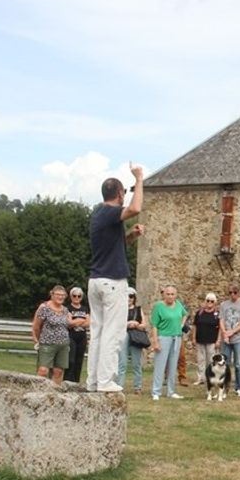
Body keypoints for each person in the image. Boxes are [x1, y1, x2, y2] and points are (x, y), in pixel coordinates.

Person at [87, 166, 144, 393]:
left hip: (97, 281)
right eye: (124, 194)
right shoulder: (111, 212)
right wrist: (139, 179)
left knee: (99, 334)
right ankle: (105, 381)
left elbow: (115, 246)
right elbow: (136, 207)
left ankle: (93, 381)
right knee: (114, 333)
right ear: (120, 194)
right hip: (112, 282)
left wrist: (131, 235)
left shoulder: (99, 215)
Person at [149, 284, 186, 401]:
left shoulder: (179, 304)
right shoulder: (158, 307)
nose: (170, 296)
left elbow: (185, 314)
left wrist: (181, 325)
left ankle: (171, 391)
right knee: (160, 365)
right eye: (168, 294)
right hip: (163, 337)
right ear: (164, 294)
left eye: (172, 294)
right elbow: (154, 325)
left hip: (176, 337)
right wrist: (155, 342)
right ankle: (156, 391)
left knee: (173, 365)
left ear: (176, 295)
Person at [32, 285, 73, 384]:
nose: (60, 297)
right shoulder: (44, 307)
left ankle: (54, 394)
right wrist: (37, 340)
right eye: (58, 294)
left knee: (58, 371)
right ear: (52, 295)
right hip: (47, 343)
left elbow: (67, 325)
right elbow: (36, 326)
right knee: (43, 370)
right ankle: (39, 392)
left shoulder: (65, 310)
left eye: (63, 295)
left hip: (63, 344)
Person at [217, 284, 240, 398]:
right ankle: (224, 388)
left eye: (235, 292)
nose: (232, 295)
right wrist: (225, 333)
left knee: (238, 364)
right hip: (226, 338)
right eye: (230, 292)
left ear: (239, 293)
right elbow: (221, 319)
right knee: (224, 364)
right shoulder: (223, 305)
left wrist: (233, 331)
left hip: (239, 338)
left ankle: (239, 388)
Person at [188, 293, 221, 385]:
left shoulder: (217, 314)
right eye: (208, 300)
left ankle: (211, 377)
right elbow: (195, 326)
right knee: (200, 360)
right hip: (200, 340)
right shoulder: (199, 313)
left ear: (215, 303)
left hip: (212, 340)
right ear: (205, 301)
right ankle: (201, 378)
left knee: (211, 360)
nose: (209, 302)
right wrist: (193, 338)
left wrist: (218, 340)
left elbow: (220, 328)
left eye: (212, 301)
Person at [118, 287, 146, 393]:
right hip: (123, 334)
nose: (129, 298)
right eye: (127, 296)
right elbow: (116, 325)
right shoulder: (120, 309)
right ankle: (119, 386)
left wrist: (136, 324)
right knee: (122, 362)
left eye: (131, 296)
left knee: (136, 362)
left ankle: (137, 386)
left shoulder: (138, 309)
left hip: (136, 335)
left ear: (134, 298)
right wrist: (127, 324)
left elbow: (144, 324)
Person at [63, 287, 91, 384]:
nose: (76, 297)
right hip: (71, 336)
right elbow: (69, 323)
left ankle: (76, 382)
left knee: (79, 361)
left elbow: (88, 323)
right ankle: (67, 381)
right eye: (74, 295)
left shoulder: (85, 309)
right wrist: (81, 320)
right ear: (71, 296)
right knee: (71, 360)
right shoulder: (67, 308)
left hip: (82, 337)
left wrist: (76, 321)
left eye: (79, 296)